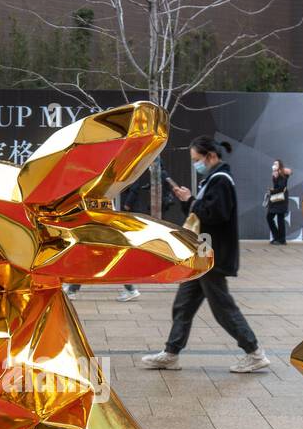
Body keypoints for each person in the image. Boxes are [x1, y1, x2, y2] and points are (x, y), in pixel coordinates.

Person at [140, 136, 270, 372]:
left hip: (212, 255)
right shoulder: (211, 180)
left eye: (197, 159)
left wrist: (190, 200)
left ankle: (254, 352)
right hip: (203, 253)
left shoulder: (221, 180)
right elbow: (200, 215)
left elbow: (215, 214)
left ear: (211, 156)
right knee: (184, 304)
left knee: (222, 307)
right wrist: (187, 200)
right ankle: (171, 353)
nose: (195, 164)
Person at [67, 172, 165, 303]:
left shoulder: (94, 193)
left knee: (94, 260)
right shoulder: (103, 192)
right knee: (95, 261)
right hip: (102, 232)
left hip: (99, 232)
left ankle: (73, 289)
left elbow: (94, 213)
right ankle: (73, 288)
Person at [265, 159, 292, 245]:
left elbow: (281, 187)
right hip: (276, 199)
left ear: (280, 165)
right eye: (274, 164)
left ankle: (282, 240)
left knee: (280, 219)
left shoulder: (283, 174)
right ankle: (277, 237)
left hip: (281, 199)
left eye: (276, 164)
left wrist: (271, 191)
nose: (274, 165)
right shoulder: (275, 174)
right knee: (269, 217)